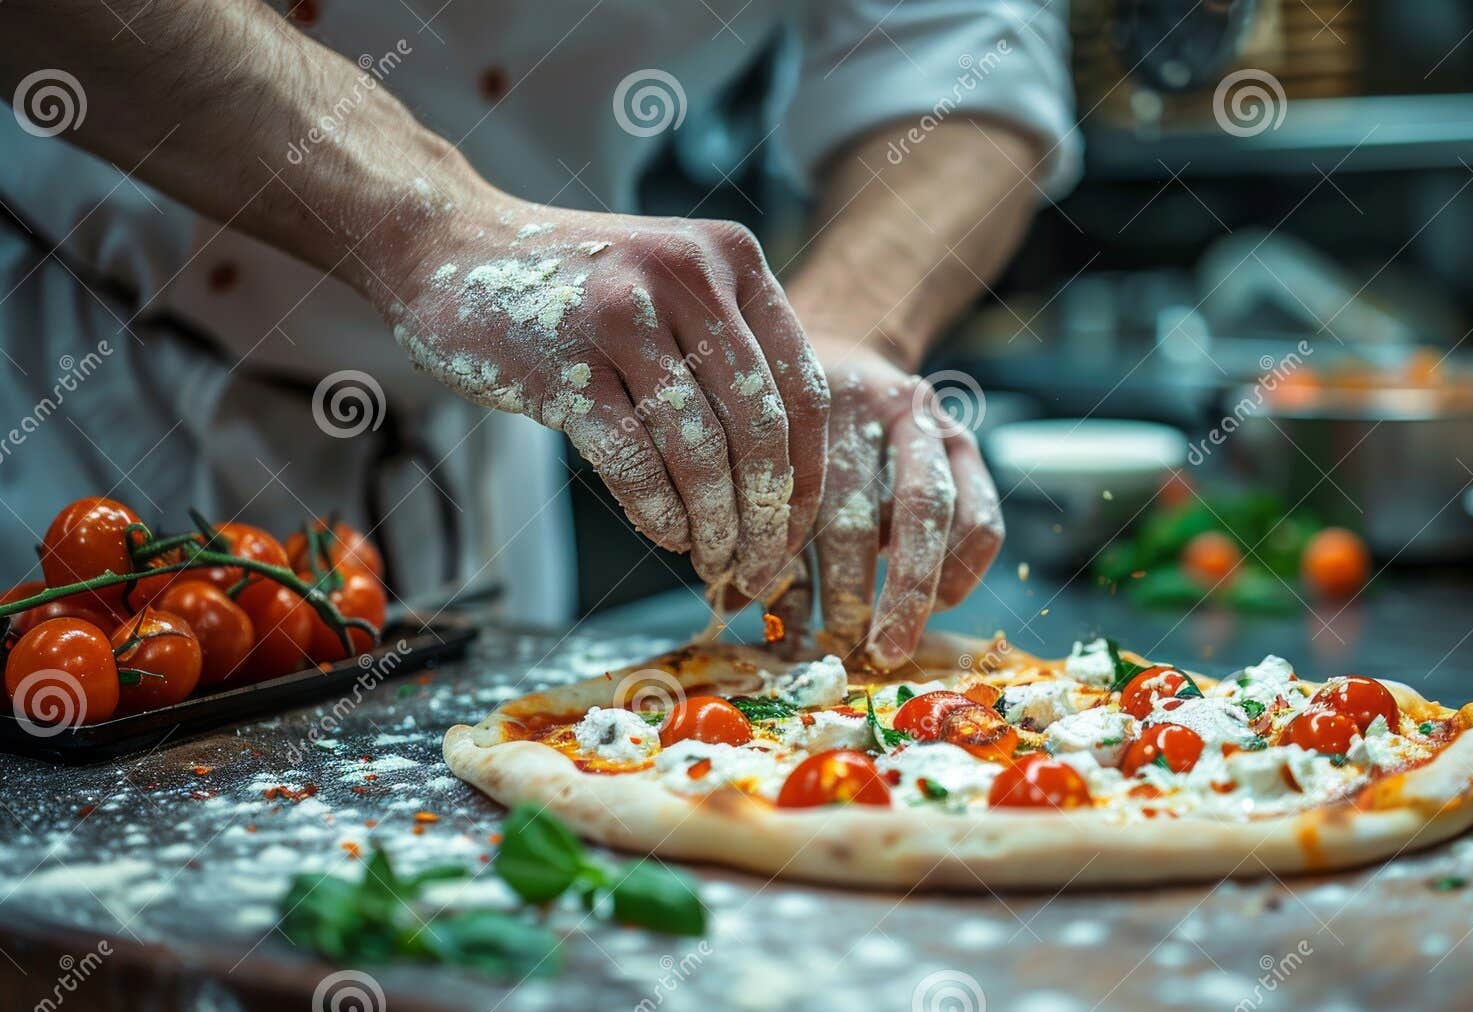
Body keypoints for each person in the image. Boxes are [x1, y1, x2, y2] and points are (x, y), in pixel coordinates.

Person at [0, 0, 1078, 669]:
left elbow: (964, 47)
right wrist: (430, 223)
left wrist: (842, 330)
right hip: (68, 385)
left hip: (467, 438)